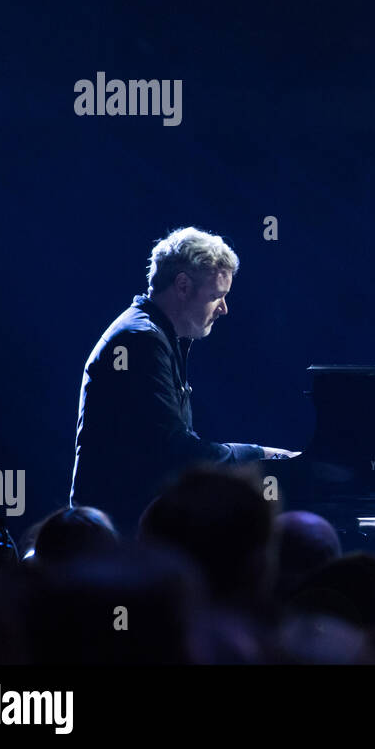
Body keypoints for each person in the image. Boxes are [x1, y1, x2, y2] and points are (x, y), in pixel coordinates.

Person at [70, 226, 299, 536]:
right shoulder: (141, 340)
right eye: (217, 295)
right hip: (115, 542)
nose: (224, 308)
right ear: (182, 285)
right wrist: (262, 455)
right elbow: (176, 451)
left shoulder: (156, 336)